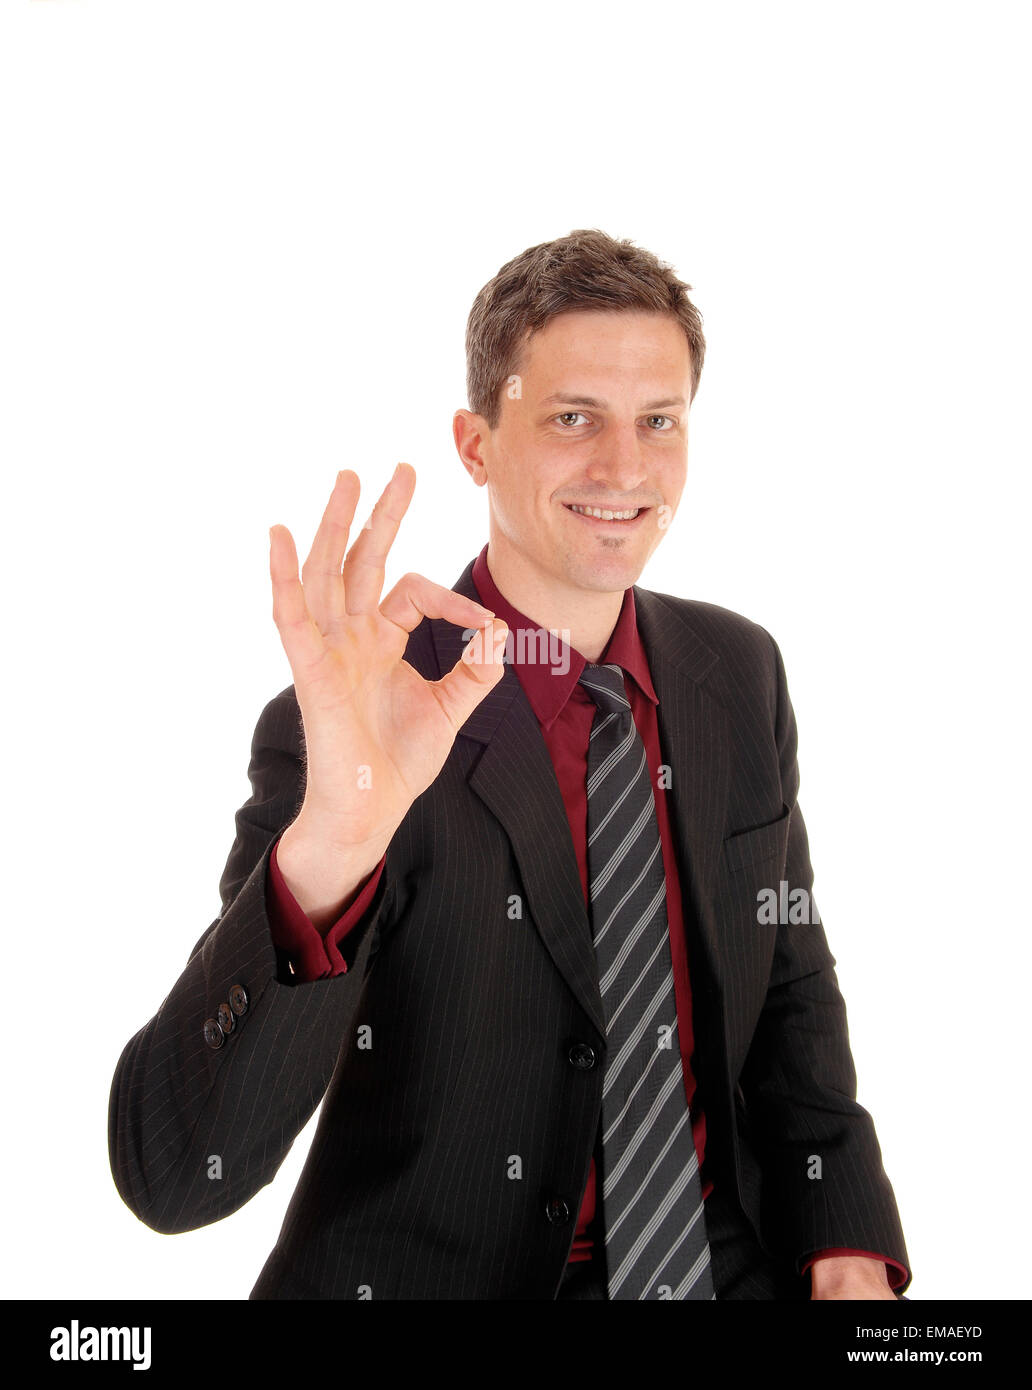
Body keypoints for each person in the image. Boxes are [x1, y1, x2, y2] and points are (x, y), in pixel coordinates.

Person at [108, 229, 910, 1300]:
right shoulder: (364, 718)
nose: (624, 469)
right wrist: (338, 845)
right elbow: (175, 1174)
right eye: (572, 417)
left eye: (658, 421)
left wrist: (841, 1237)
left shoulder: (738, 671)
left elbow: (790, 986)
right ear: (477, 444)